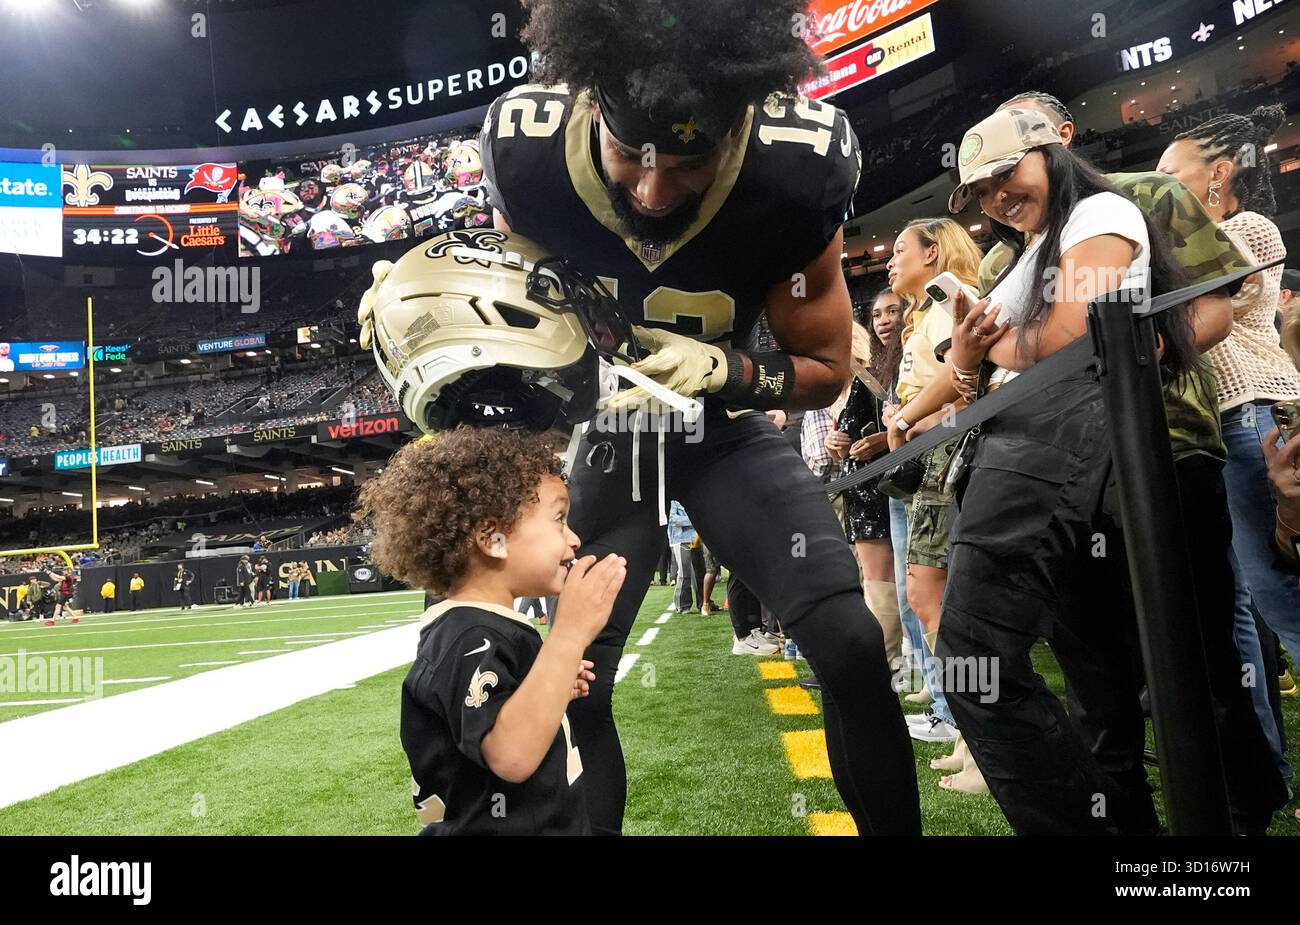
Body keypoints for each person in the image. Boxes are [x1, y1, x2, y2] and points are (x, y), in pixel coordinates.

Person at [447, 0, 918, 836]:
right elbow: (519, 305)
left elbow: (826, 369)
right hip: (613, 435)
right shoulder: (530, 156)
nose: (655, 190)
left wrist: (731, 369)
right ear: (592, 106)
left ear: (740, 130)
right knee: (578, 676)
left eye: (690, 162)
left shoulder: (792, 172)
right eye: (631, 156)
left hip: (726, 430)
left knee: (847, 642)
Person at [940, 106, 1286, 834]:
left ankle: (1238, 814)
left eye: (1006, 175)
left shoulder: (1131, 199)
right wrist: (973, 367)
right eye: (982, 190)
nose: (996, 197)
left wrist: (1128, 356)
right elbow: (1002, 372)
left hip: (1165, 445)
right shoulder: (1016, 253)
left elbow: (1203, 315)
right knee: (1096, 674)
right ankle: (1132, 830)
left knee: (1193, 655)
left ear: (1057, 141)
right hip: (1063, 467)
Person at [357, 427, 626, 834]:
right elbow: (512, 755)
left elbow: (500, 718)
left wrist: (549, 685)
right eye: (559, 519)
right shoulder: (469, 635)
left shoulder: (485, 626)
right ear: (492, 538)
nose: (574, 538)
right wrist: (569, 634)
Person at [883, 219, 985, 771]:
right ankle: (967, 737)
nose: (891, 261)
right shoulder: (925, 309)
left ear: (934, 252)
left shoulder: (948, 298)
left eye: (901, 249)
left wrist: (906, 414)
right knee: (929, 600)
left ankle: (979, 744)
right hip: (931, 455)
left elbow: (962, 376)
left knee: (936, 600)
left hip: (949, 455)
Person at [825, 307, 900, 668]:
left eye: (892, 312)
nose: (883, 320)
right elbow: (850, 439)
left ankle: (889, 659)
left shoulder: (876, 376)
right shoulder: (857, 382)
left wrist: (884, 440)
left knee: (884, 579)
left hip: (886, 489)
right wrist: (841, 444)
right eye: (877, 315)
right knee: (879, 579)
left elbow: (905, 423)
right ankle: (891, 658)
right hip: (864, 490)